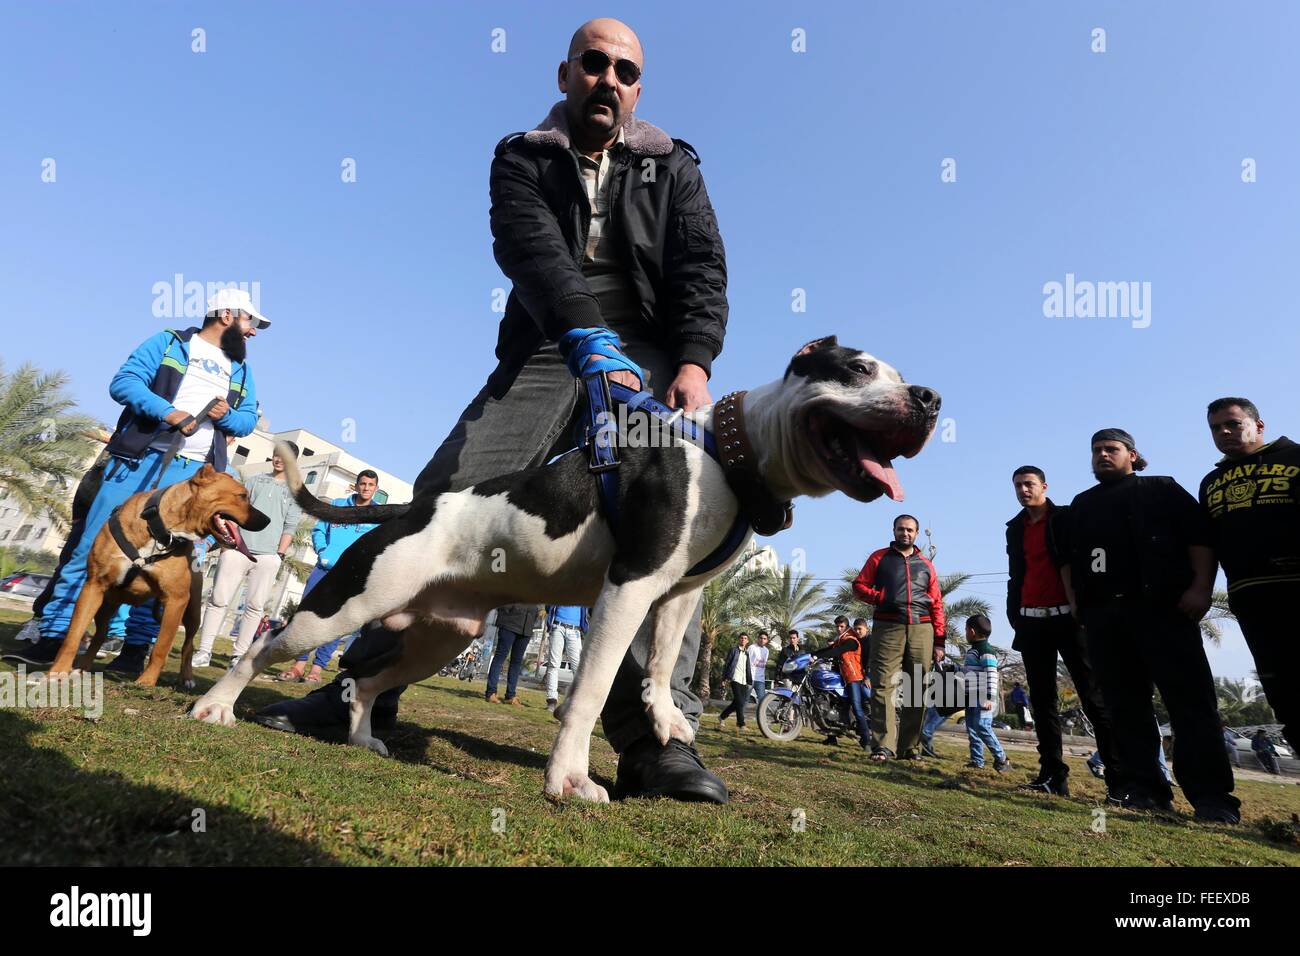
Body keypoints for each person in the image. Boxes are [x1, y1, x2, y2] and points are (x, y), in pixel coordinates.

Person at [252, 18, 730, 804]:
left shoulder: (673, 165)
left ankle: (654, 740)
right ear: (565, 73)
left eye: (625, 70)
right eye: (593, 63)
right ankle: (359, 689)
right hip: (550, 344)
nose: (608, 78)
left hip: (646, 356)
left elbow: (701, 265)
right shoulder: (522, 156)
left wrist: (693, 363)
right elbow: (529, 248)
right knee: (448, 495)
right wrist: (582, 336)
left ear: (638, 88)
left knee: (665, 525)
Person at [5, 291, 263, 674]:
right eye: (250, 323)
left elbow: (247, 421)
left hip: (194, 477)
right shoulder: (169, 342)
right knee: (91, 551)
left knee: (169, 567)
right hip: (139, 460)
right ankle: (54, 639)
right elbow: (124, 383)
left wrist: (227, 415)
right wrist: (170, 412)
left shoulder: (241, 370)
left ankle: (134, 652)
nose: (253, 333)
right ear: (226, 315)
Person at [1059, 428, 1240, 823]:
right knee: (1125, 707)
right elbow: (1070, 560)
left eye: (1112, 449)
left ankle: (1212, 799)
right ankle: (1145, 790)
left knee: (1190, 704)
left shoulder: (1162, 489)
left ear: (1133, 455)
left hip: (1163, 612)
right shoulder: (1082, 505)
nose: (1102, 455)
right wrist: (1078, 605)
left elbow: (1200, 540)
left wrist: (1201, 588)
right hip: (1105, 618)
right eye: (1096, 450)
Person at [1006, 464, 1121, 799]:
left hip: (1069, 620)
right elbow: (1017, 573)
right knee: (1042, 703)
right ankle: (1053, 776)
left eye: (1029, 484)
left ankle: (1118, 780)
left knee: (1093, 697)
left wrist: (1084, 606)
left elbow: (1083, 561)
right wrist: (1016, 614)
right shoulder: (1015, 528)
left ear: (1044, 485)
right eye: (1017, 486)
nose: (1023, 490)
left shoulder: (1066, 518)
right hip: (1031, 621)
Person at [1199, 398, 1298, 753]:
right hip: (1251, 599)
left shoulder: (1294, 459)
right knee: (1285, 696)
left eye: (1232, 424)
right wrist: (1202, 590)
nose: (1224, 432)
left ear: (1259, 425)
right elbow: (1206, 544)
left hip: (1295, 589)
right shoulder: (1212, 481)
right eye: (1215, 428)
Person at [192, 442, 302, 670]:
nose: (279, 460)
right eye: (276, 455)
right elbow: (233, 512)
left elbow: (289, 527)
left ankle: (238, 655)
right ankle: (203, 651)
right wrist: (228, 543)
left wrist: (279, 555)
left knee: (254, 607)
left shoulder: (295, 492)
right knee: (218, 601)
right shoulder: (254, 481)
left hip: (268, 557)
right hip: (236, 550)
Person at [853, 514, 946, 762]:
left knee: (918, 688)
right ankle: (883, 746)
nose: (905, 533)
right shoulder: (879, 557)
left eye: (910, 530)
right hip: (888, 627)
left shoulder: (926, 565)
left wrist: (939, 640)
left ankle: (909, 748)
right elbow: (859, 586)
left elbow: (937, 603)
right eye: (901, 529)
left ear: (916, 534)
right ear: (893, 530)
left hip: (921, 628)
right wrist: (880, 597)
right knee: (883, 685)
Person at [276, 471, 380, 683]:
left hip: (352, 575)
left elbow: (379, 544)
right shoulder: (338, 505)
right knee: (306, 616)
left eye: (370, 485)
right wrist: (323, 552)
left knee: (338, 622)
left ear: (376, 488)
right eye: (363, 484)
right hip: (324, 569)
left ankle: (317, 669)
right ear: (356, 485)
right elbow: (319, 530)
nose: (366, 488)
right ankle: (299, 665)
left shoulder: (378, 514)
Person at [960, 615, 1011, 772]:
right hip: (972, 697)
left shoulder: (986, 651)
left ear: (972, 631)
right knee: (972, 729)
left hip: (984, 698)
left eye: (966, 630)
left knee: (982, 726)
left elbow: (991, 675)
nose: (966, 633)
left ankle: (1002, 758)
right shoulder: (973, 651)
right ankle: (977, 761)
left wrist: (989, 698)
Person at [812, 616, 870, 749]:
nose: (838, 629)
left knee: (856, 707)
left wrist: (817, 656)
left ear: (846, 627)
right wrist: (810, 655)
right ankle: (831, 737)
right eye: (837, 626)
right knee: (833, 703)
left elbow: (836, 651)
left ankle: (866, 740)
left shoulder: (851, 640)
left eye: (841, 626)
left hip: (854, 677)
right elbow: (829, 649)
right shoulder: (841, 639)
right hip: (843, 677)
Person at [484, 604, 541, 706]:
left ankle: (510, 696)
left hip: (526, 627)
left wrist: (537, 613)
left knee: (516, 662)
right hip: (509, 623)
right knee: (500, 657)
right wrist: (509, 610)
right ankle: (491, 693)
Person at [543, 604, 588, 711]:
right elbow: (548, 606)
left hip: (575, 630)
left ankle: (579, 700)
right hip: (557, 627)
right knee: (553, 664)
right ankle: (551, 700)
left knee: (578, 667)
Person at [717, 633, 753, 732]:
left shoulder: (746, 653)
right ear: (739, 639)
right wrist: (723, 679)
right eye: (741, 638)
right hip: (734, 678)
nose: (743, 640)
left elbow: (747, 667)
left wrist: (749, 680)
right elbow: (727, 664)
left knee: (736, 703)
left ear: (747, 641)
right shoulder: (734, 650)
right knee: (740, 702)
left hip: (744, 680)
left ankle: (722, 717)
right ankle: (741, 724)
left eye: (745, 638)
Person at [748, 632, 771, 704]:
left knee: (762, 700)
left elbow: (764, 663)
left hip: (760, 679)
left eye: (764, 639)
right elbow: (746, 661)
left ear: (767, 641)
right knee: (745, 698)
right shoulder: (752, 647)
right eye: (761, 638)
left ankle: (760, 715)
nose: (762, 640)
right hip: (750, 678)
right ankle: (740, 715)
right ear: (758, 639)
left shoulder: (766, 650)